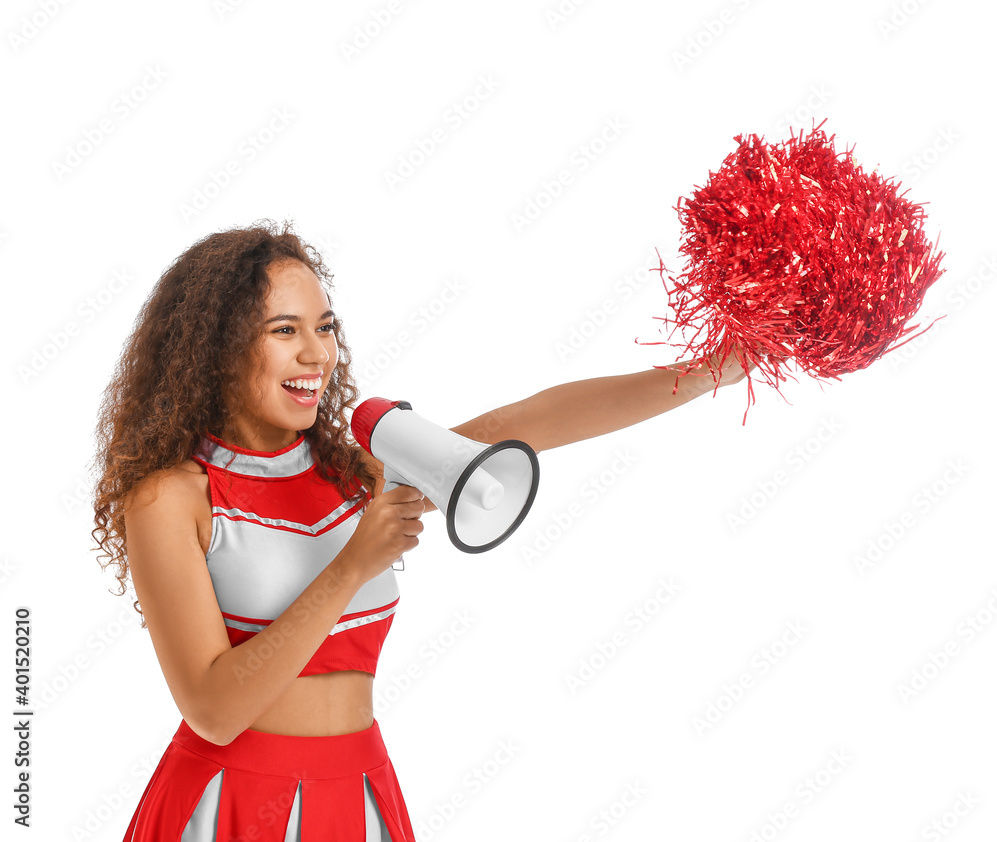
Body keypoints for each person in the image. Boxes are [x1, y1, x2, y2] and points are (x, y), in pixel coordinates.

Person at [91, 220, 753, 841]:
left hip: (359, 791)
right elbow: (213, 709)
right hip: (226, 803)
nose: (317, 353)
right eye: (284, 331)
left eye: (324, 327)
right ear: (215, 347)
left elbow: (533, 421)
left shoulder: (353, 473)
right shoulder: (171, 498)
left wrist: (711, 372)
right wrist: (352, 564)